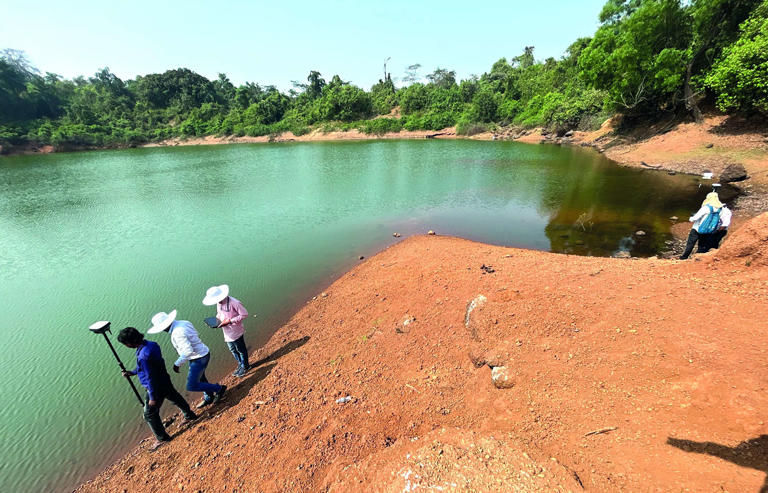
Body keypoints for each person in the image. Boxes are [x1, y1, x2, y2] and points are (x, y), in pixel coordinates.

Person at [117, 326, 197, 449]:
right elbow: (147, 368)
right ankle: (189, 415)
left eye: (125, 343)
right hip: (164, 379)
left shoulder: (143, 355)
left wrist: (152, 397)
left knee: (149, 414)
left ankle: (162, 438)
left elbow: (150, 377)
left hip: (155, 387)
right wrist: (132, 372)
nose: (126, 345)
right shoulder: (151, 345)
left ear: (130, 343)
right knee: (174, 397)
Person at [148, 310, 226, 409]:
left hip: (198, 357)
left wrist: (177, 363)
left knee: (192, 384)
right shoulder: (183, 322)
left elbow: (188, 351)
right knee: (201, 378)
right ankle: (209, 396)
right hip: (201, 353)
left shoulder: (177, 333)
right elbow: (195, 334)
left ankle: (219, 389)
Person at [203, 284, 251, 377]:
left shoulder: (235, 303)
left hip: (236, 331)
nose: (217, 302)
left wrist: (230, 321)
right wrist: (215, 322)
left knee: (241, 350)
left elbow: (244, 314)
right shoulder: (219, 303)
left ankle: (246, 366)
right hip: (227, 332)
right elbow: (219, 314)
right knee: (232, 350)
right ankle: (241, 364)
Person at [680, 192, 724, 260]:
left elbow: (695, 218)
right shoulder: (720, 209)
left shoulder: (706, 207)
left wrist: (690, 218)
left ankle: (684, 257)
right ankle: (698, 258)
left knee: (691, 243)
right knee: (701, 245)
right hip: (708, 230)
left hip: (697, 228)